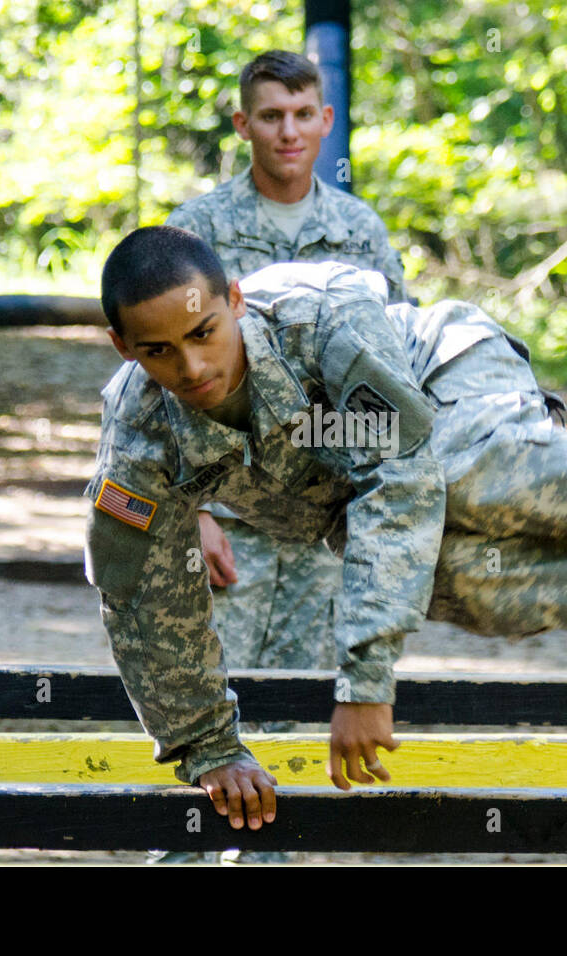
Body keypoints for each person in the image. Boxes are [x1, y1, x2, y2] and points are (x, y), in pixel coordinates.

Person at [85, 225, 567, 835]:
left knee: (471, 476)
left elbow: (401, 474)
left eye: (204, 332)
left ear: (235, 301)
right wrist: (211, 749)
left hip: (444, 380)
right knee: (476, 588)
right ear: (124, 347)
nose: (190, 366)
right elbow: (141, 601)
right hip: (348, 495)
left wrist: (365, 681)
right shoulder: (139, 437)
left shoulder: (324, 316)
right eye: (158, 351)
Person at [164, 50, 411, 700]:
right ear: (243, 125)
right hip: (229, 518)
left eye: (303, 114)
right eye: (271, 116)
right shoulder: (195, 234)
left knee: (309, 714)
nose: (289, 132)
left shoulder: (360, 234)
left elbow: (396, 365)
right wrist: (186, 510)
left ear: (326, 119)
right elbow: (152, 382)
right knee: (213, 708)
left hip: (324, 521)